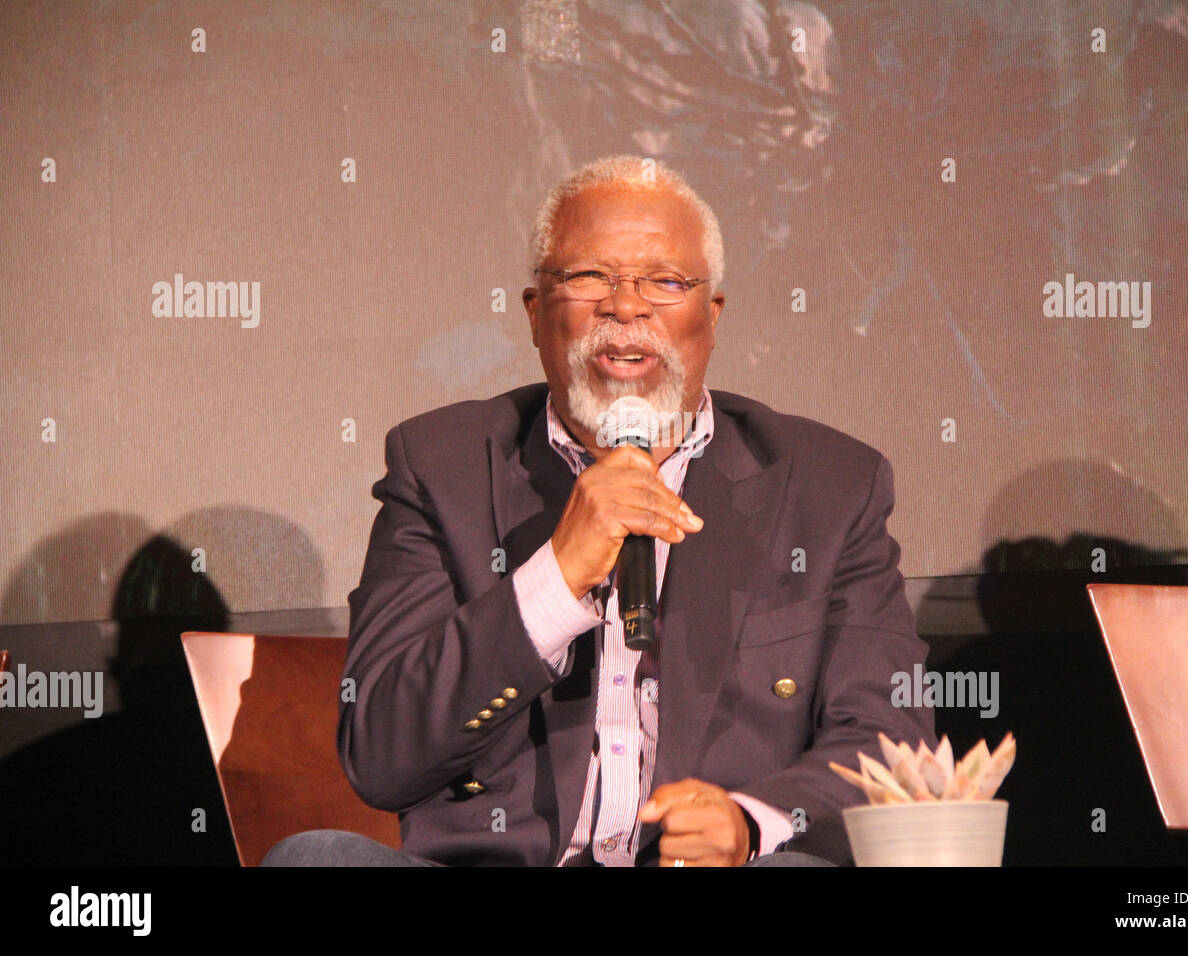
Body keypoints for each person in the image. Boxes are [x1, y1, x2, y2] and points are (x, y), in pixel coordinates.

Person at [263, 155, 935, 867]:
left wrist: (749, 822)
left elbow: (891, 741)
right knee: (316, 859)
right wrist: (552, 581)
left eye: (666, 281)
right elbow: (381, 756)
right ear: (533, 313)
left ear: (712, 317)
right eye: (588, 278)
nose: (626, 306)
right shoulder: (443, 466)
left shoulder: (828, 486)